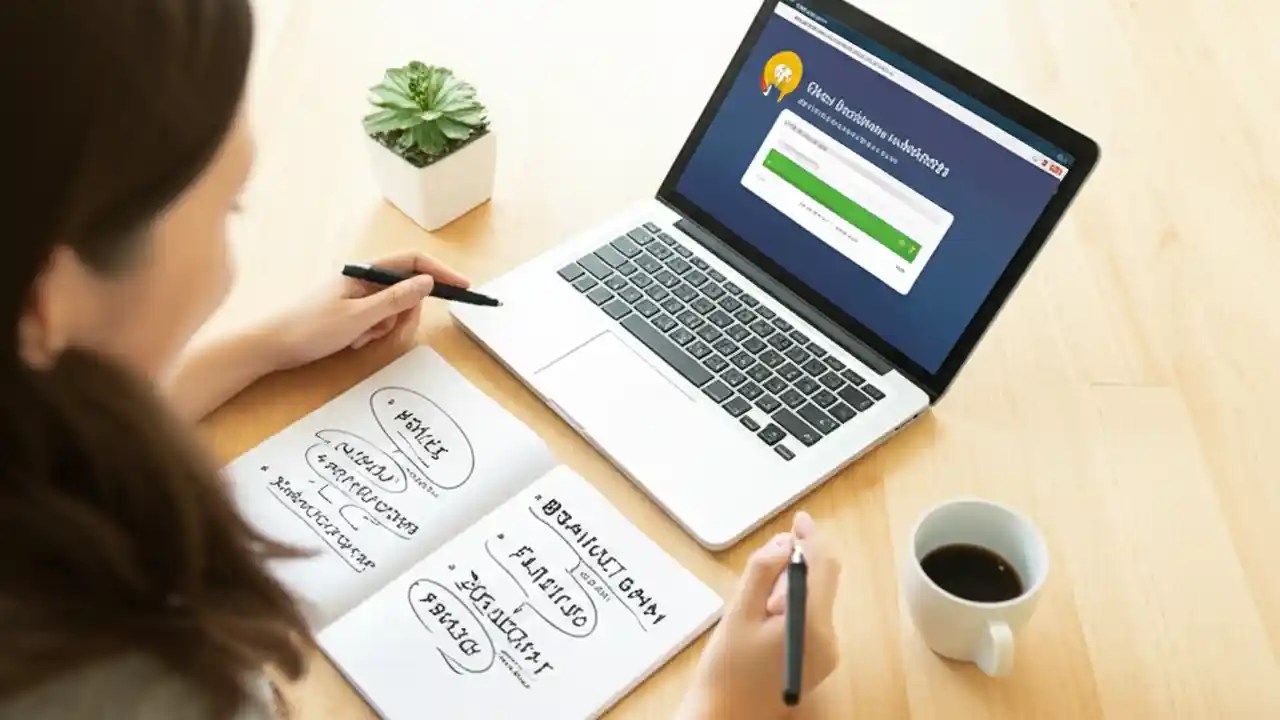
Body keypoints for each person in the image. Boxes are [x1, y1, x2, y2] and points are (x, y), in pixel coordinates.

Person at [0, 2, 841, 719]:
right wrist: (722, 706)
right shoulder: (124, 684)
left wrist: (265, 347)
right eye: (230, 210)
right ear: (49, 300)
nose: (229, 266)